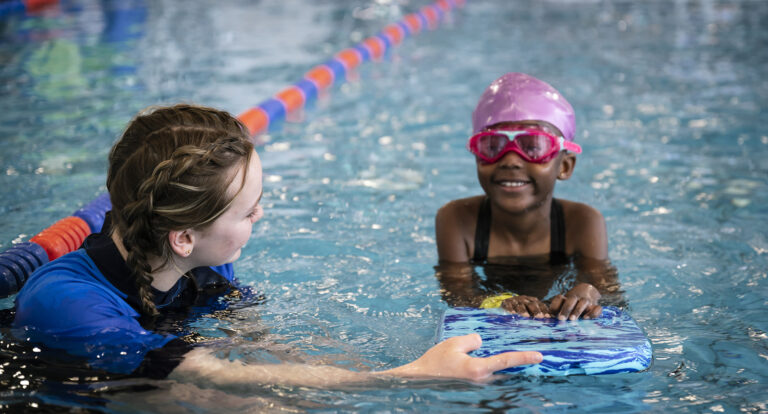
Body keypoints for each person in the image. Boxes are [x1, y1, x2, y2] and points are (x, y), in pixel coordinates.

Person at [12, 104, 542, 388]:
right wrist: (413, 377)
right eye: (248, 211)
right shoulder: (68, 302)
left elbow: (259, 343)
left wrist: (344, 367)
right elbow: (213, 374)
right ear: (184, 236)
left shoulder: (198, 260)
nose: (260, 216)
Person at [435, 73, 613, 321]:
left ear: (565, 166)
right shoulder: (458, 220)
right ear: (476, 156)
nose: (510, 160)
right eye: (493, 146)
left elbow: (610, 292)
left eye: (532, 147)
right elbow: (457, 295)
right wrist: (498, 302)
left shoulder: (582, 222)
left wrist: (590, 293)